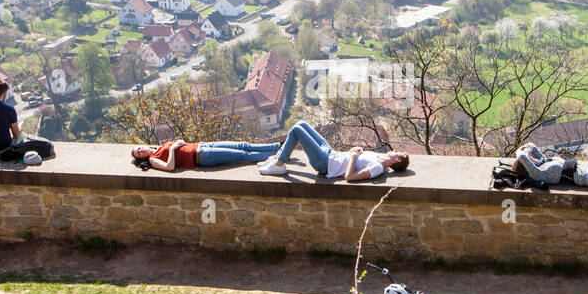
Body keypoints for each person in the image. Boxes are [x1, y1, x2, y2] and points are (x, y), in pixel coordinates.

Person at [258, 119, 409, 181]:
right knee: (302, 123)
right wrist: (355, 151)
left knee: (297, 130)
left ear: (397, 160)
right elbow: (353, 156)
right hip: (330, 152)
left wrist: (353, 158)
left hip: (324, 163)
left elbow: (349, 177)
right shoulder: (379, 158)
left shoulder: (377, 168)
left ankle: (278, 164)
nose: (394, 149)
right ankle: (278, 156)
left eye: (397, 152)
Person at [512, 137, 588, 192]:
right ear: (527, 166)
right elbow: (522, 156)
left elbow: (532, 146)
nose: (531, 156)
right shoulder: (539, 173)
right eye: (529, 158)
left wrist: (525, 148)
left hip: (586, 166)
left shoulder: (542, 161)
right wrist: (520, 151)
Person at [130, 139, 281, 171]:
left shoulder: (157, 148)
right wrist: (172, 148)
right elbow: (169, 167)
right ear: (141, 157)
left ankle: (276, 146)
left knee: (243, 145)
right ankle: (279, 155)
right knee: (242, 155)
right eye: (139, 152)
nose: (141, 150)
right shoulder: (153, 159)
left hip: (203, 146)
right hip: (202, 156)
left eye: (140, 148)